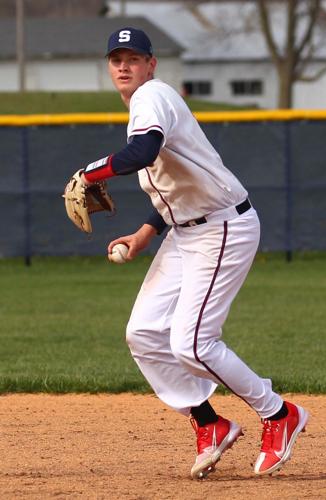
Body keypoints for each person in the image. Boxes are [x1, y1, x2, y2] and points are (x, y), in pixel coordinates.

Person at [81, 27, 309, 479]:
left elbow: (141, 153)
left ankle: (279, 414)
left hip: (223, 228)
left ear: (151, 64)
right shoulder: (150, 106)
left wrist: (89, 172)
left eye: (133, 57)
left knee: (192, 343)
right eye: (116, 59)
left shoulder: (151, 97)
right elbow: (175, 186)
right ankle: (211, 423)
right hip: (187, 232)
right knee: (144, 332)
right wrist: (146, 233)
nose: (124, 66)